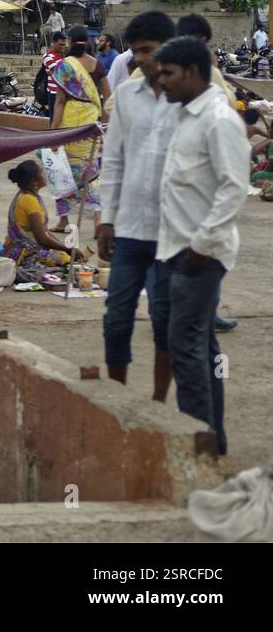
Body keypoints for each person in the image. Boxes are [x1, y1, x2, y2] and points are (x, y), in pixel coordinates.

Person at [152, 36, 248, 456]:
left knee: (185, 348)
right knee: (200, 347)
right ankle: (214, 441)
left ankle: (199, 445)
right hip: (174, 248)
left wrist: (202, 245)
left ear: (191, 72)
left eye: (168, 74)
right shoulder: (183, 116)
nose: (161, 82)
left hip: (200, 255)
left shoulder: (218, 119)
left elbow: (234, 187)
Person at [97, 10, 177, 400]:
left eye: (147, 51)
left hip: (171, 231)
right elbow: (113, 160)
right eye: (135, 52)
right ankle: (117, 399)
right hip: (128, 228)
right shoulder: (127, 95)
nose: (139, 59)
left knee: (164, 320)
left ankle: (159, 402)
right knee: (116, 317)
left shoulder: (189, 98)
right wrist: (105, 219)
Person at [49, 26, 104, 232]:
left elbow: (60, 102)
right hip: (91, 125)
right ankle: (98, 220)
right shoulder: (97, 65)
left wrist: (53, 133)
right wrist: (103, 126)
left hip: (69, 126)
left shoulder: (64, 66)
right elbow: (107, 97)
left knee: (59, 169)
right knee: (92, 172)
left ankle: (63, 220)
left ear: (70, 41)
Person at [1, 160, 85, 266]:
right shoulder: (29, 200)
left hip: (29, 245)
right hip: (25, 251)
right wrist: (68, 250)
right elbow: (42, 238)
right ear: (34, 181)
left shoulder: (28, 196)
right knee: (65, 260)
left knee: (67, 255)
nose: (44, 175)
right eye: (41, 173)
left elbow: (45, 231)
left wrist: (65, 247)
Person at [39, 31, 66, 114]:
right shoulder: (47, 57)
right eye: (60, 44)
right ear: (53, 43)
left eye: (64, 45)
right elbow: (61, 72)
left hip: (65, 92)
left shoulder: (64, 55)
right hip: (54, 94)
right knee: (54, 120)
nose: (62, 47)